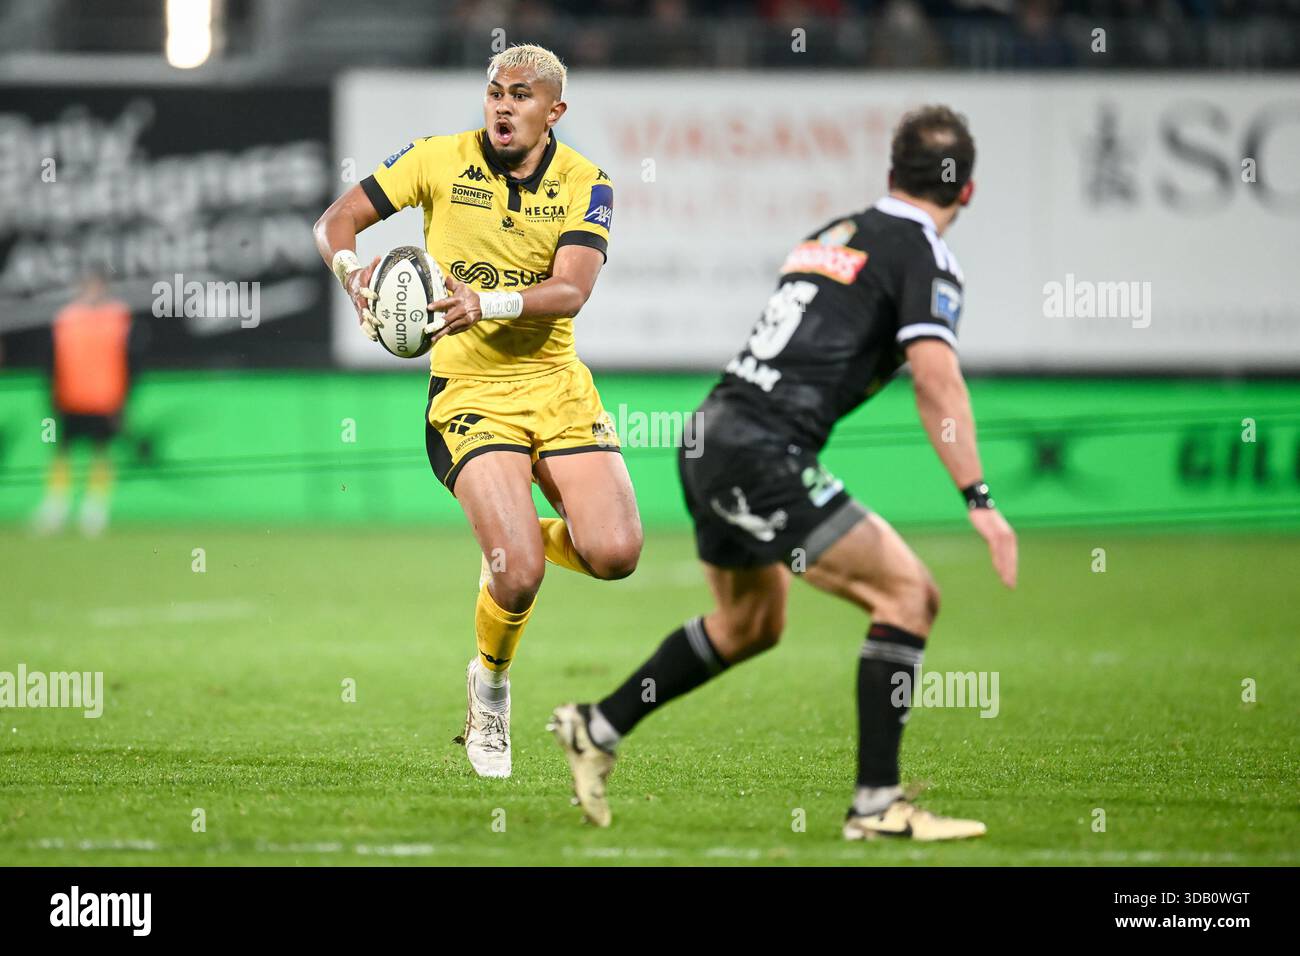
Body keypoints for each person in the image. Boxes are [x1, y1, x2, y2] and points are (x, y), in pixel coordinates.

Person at [550, 105, 1018, 841]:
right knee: (908, 595)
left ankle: (597, 726)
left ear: (891, 175)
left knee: (750, 624)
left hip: (710, 433)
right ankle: (876, 805)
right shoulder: (923, 254)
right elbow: (938, 381)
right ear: (968, 192)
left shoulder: (837, 234)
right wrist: (980, 499)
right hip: (760, 451)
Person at [313, 44, 642, 778]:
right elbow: (335, 221)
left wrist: (483, 302)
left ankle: (515, 537)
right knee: (518, 571)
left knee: (616, 554)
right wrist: (352, 277)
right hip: (468, 391)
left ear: (553, 111)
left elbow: (572, 289)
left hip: (556, 385)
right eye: (495, 91)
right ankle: (490, 692)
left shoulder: (588, 182)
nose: (502, 105)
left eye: (521, 95)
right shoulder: (436, 159)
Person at [31, 268, 132, 538]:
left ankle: (94, 510)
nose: (91, 292)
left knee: (101, 453)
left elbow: (130, 361)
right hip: (69, 399)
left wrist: (123, 400)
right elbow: (52, 361)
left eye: (96, 286)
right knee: (61, 452)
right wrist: (51, 395)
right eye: (87, 286)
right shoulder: (67, 318)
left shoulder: (118, 317)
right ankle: (56, 506)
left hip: (104, 400)